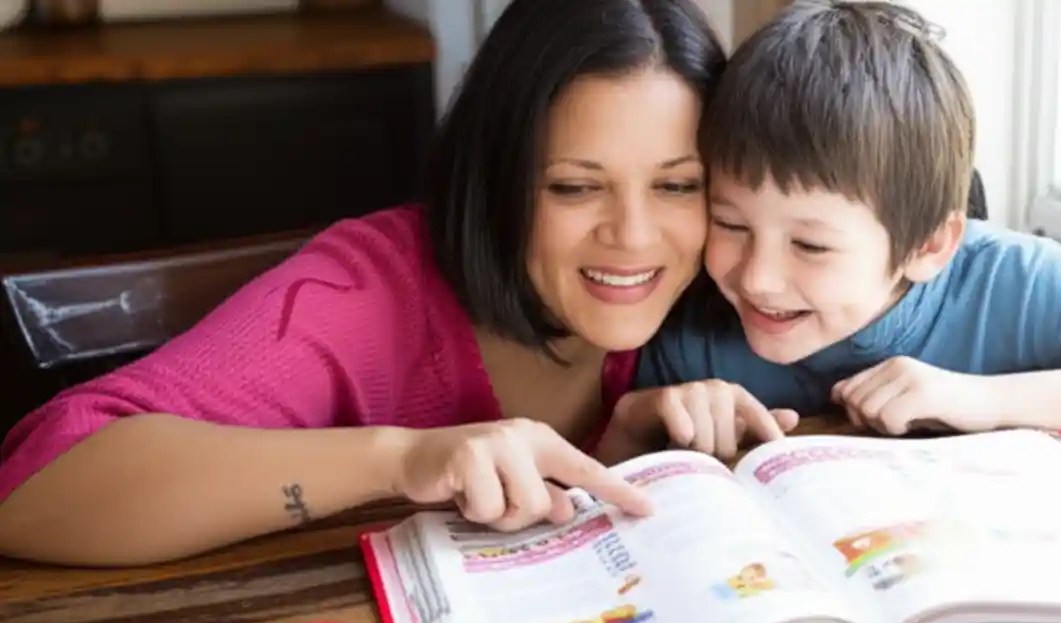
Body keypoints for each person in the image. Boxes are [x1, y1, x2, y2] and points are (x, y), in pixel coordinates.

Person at [0, 0, 728, 566]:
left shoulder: (723, 283)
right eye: (573, 188)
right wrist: (401, 459)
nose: (633, 235)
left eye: (677, 185)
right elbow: (33, 493)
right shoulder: (359, 297)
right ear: (492, 178)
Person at [623, 0, 1061, 460]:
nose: (756, 276)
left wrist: (986, 399)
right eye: (730, 224)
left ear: (930, 245)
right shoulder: (693, 328)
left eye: (811, 244)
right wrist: (650, 417)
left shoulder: (1015, 287)